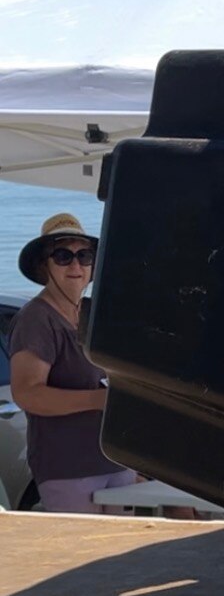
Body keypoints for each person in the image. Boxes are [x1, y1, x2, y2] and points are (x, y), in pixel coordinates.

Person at [8, 213, 138, 513]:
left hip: (115, 460)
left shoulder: (91, 316)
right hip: (69, 469)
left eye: (84, 256)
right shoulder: (36, 319)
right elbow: (27, 393)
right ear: (45, 266)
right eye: (63, 256)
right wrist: (98, 399)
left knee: (120, 556)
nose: (76, 265)